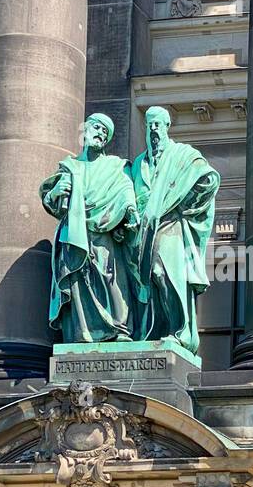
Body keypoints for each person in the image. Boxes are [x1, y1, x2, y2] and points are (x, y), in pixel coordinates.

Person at [40, 113, 140, 344]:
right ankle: (83, 335)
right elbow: (54, 200)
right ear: (84, 131)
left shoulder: (117, 166)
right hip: (74, 233)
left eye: (105, 132)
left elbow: (126, 190)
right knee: (77, 281)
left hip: (105, 231)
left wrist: (131, 212)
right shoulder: (70, 166)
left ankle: (118, 329)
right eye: (96, 128)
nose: (100, 134)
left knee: (111, 278)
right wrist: (56, 193)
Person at [127, 106, 220, 354]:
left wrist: (182, 202)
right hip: (142, 232)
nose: (154, 129)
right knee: (145, 280)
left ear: (168, 126)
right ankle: (155, 331)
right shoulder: (138, 164)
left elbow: (209, 179)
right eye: (150, 125)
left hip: (170, 225)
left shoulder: (183, 155)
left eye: (158, 124)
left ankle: (180, 331)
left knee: (162, 272)